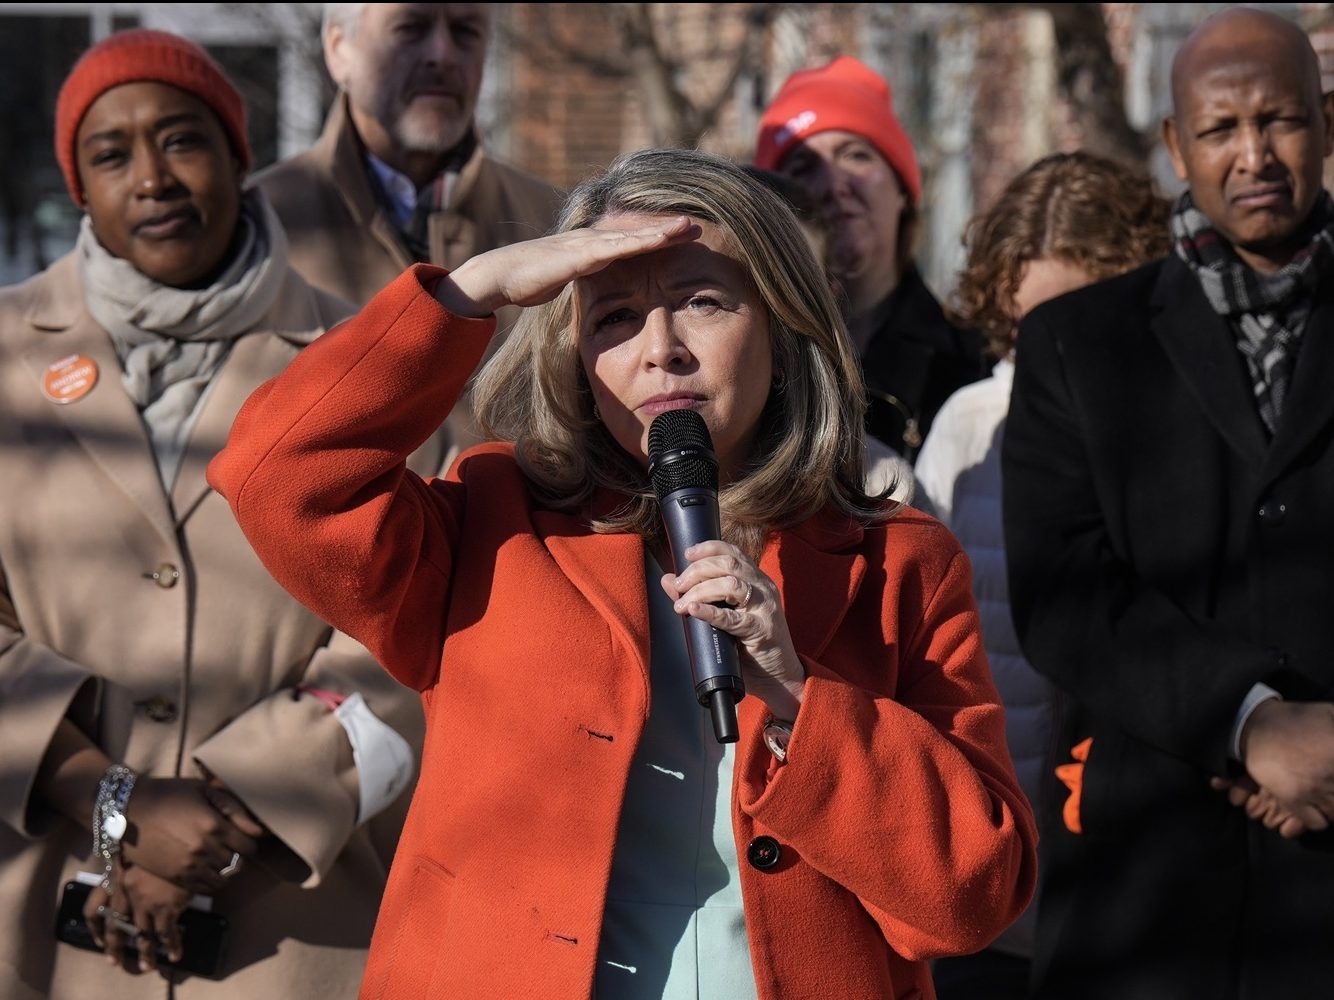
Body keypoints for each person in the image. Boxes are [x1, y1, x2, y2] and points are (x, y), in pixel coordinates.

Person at [209, 146, 1038, 999]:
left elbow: (973, 897)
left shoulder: (900, 563)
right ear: (575, 358)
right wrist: (470, 294)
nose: (661, 350)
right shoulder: (493, 525)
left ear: (785, 333)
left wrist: (800, 697)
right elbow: (278, 476)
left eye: (702, 302)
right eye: (612, 318)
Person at [0, 29, 422, 999]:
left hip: (292, 933)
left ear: (241, 155)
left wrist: (236, 814)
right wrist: (114, 804)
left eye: (182, 140)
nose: (150, 177)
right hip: (41, 918)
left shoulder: (367, 362)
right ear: (79, 187)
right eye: (111, 155)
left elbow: (412, 640)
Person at [1001, 7, 1334, 998]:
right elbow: (1064, 593)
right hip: (1143, 887)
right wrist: (1248, 723)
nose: (1252, 153)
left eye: (1277, 120)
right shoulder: (1077, 344)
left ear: (1323, 122)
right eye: (1220, 129)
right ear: (1172, 147)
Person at [913, 150, 1172, 1000]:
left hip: (1125, 880)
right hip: (987, 870)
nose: (1054, 353)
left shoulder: (1169, 428)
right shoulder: (967, 426)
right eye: (1029, 328)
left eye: (1076, 320)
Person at [252, 2, 565, 473]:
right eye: (410, 28)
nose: (441, 53)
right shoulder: (259, 227)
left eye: (465, 31)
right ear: (339, 50)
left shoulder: (557, 223)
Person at [754, 55, 989, 463]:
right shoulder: (745, 363)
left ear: (902, 191)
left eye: (856, 155)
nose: (833, 184)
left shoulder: (977, 361)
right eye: (804, 166)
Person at [741, 163, 918, 503]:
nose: (771, 306)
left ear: (829, 298)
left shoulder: (880, 484)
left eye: (793, 283)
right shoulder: (614, 480)